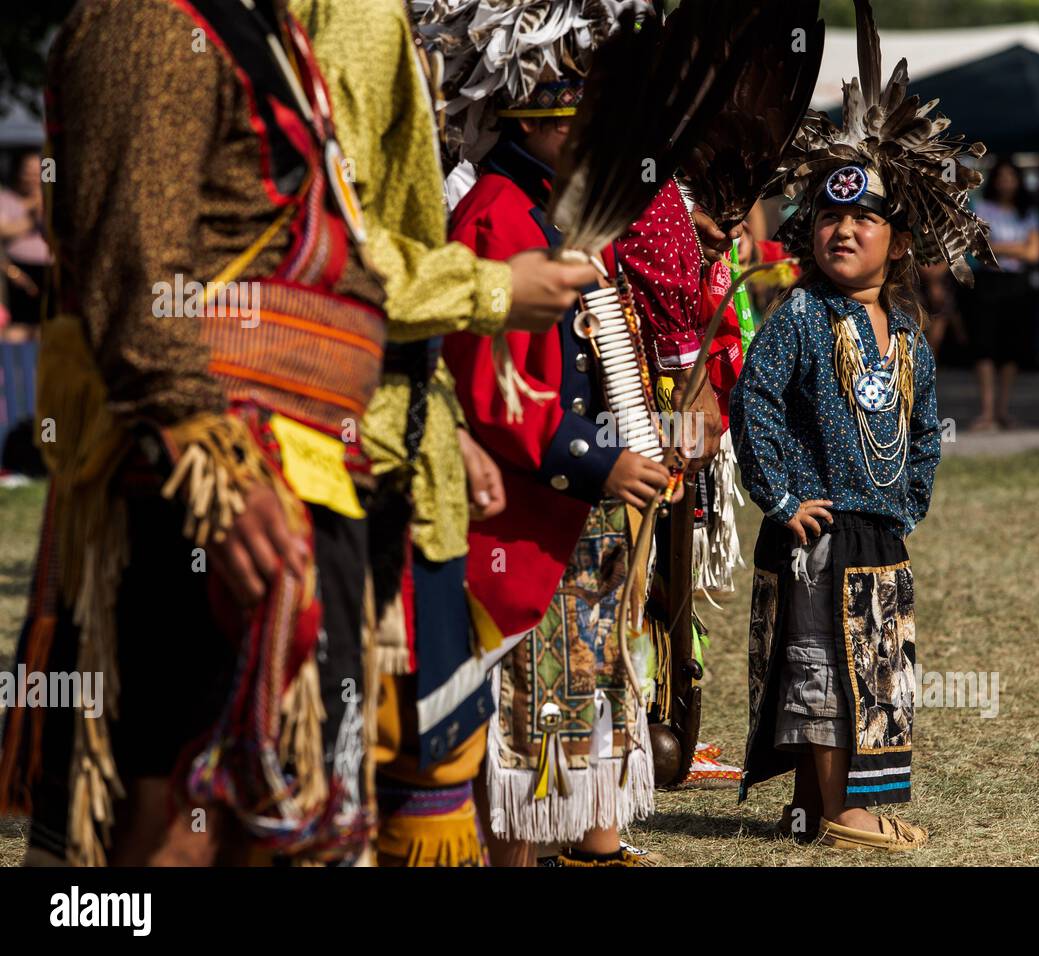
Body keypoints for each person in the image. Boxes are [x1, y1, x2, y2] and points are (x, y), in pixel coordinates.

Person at [0, 0, 390, 866]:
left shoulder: (257, 25)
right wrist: (205, 446)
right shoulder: (148, 19)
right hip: (200, 487)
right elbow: (134, 264)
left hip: (296, 466)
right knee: (177, 823)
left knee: (266, 818)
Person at [288, 0, 597, 867]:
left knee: (423, 755)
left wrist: (445, 425)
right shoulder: (344, 21)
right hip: (338, 457)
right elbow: (324, 247)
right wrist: (492, 292)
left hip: (407, 450)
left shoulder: (370, 20)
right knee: (341, 763)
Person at [731, 0, 988, 853]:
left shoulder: (907, 333)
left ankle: (830, 806)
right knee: (818, 674)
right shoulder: (802, 316)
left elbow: (924, 425)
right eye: (832, 218)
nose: (845, 230)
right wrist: (782, 492)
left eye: (864, 219)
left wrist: (910, 498)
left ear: (899, 242)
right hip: (816, 525)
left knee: (876, 673)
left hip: (878, 530)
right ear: (811, 232)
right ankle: (828, 808)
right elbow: (755, 400)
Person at [430, 0, 671, 867]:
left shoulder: (553, 214)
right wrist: (602, 463)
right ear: (540, 118)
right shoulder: (497, 214)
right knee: (520, 735)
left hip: (572, 518)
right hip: (523, 520)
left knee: (570, 713)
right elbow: (488, 393)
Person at [969, 159, 1039, 431]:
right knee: (985, 344)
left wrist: (998, 247)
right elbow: (977, 246)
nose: (1006, 182)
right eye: (1002, 176)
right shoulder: (981, 207)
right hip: (988, 281)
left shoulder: (1028, 212)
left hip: (1016, 284)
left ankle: (1002, 410)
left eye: (1012, 176)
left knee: (1012, 348)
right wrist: (1016, 248)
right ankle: (987, 411)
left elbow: (1033, 253)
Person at [0, 150, 52, 334]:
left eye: (37, 172)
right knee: (19, 325)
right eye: (27, 172)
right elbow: (4, 230)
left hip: (48, 268)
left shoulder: (50, 200)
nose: (32, 177)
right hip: (18, 270)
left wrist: (44, 206)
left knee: (47, 324)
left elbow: (54, 231)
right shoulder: (6, 198)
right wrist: (30, 215)